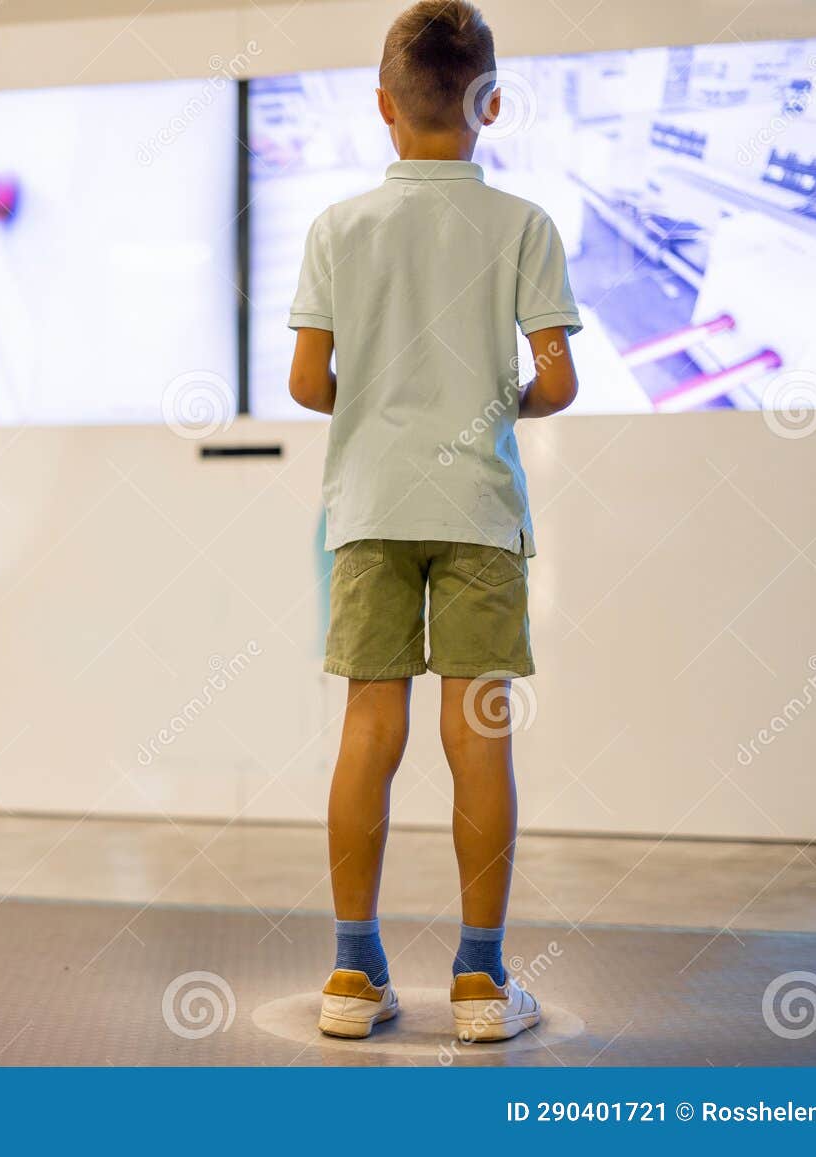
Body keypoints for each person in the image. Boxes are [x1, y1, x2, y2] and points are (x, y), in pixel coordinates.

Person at [287, 0, 581, 1041]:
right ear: (490, 102)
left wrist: (379, 401)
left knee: (370, 729)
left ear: (382, 107)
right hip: (478, 515)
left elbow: (308, 381)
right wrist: (496, 402)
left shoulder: (337, 227)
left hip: (367, 508)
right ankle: (479, 982)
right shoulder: (523, 225)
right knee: (480, 736)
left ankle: (352, 976)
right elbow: (557, 379)